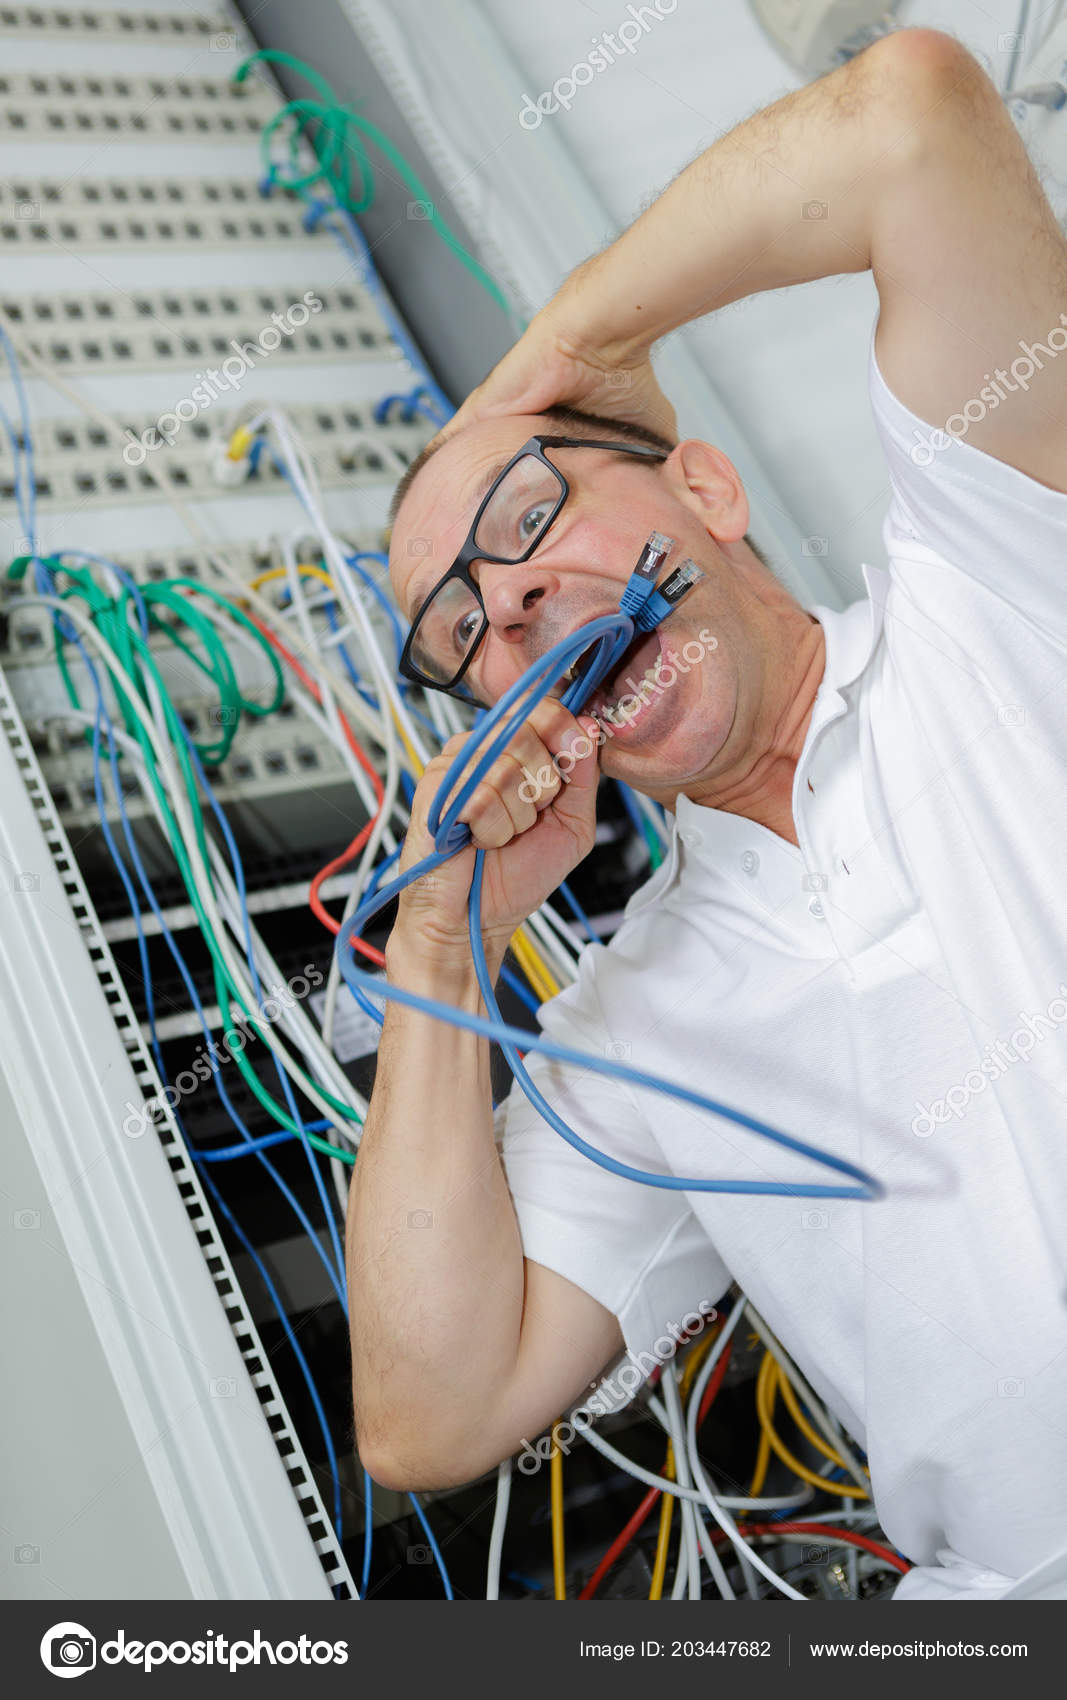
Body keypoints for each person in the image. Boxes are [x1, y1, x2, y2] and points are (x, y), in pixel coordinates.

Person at [346, 28, 1067, 1600]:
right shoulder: (640, 1019)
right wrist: (445, 952)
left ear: (710, 492)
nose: (518, 599)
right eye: (468, 632)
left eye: (532, 513)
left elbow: (911, 119)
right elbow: (427, 1412)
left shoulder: (1004, 589)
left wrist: (570, 339)